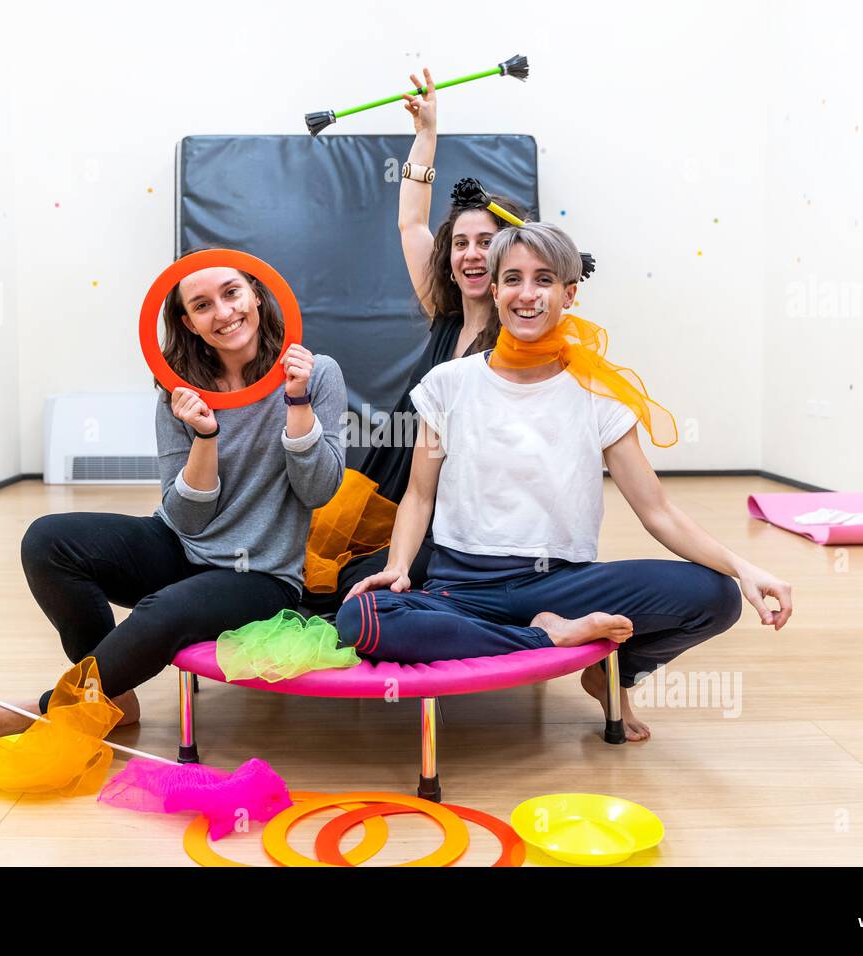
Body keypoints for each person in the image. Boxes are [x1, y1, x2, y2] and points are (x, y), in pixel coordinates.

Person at [339, 222, 793, 741]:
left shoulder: (598, 394)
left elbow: (658, 511)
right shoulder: (449, 384)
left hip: (563, 583)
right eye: (512, 279)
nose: (526, 294)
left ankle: (606, 673)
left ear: (569, 293)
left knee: (717, 597)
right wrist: (398, 567)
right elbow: (419, 495)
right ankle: (545, 639)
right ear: (495, 290)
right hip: (462, 588)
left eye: (544, 279)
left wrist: (743, 567)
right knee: (363, 617)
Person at [0, 257, 345, 736]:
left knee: (168, 608)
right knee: (47, 539)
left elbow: (317, 490)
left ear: (257, 295)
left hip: (258, 573)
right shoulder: (177, 393)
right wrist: (205, 436)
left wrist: (297, 401)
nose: (222, 312)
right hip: (180, 545)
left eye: (232, 293)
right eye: (202, 305)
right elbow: (186, 519)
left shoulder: (317, 373)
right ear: (188, 324)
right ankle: (113, 699)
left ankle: (56, 706)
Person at [305, 67, 529, 608]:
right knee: (316, 581)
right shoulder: (444, 312)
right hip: (393, 481)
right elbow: (411, 224)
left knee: (351, 593)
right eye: (461, 243)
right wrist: (426, 135)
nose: (472, 254)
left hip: (453, 506)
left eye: (487, 243)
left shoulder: (520, 336)